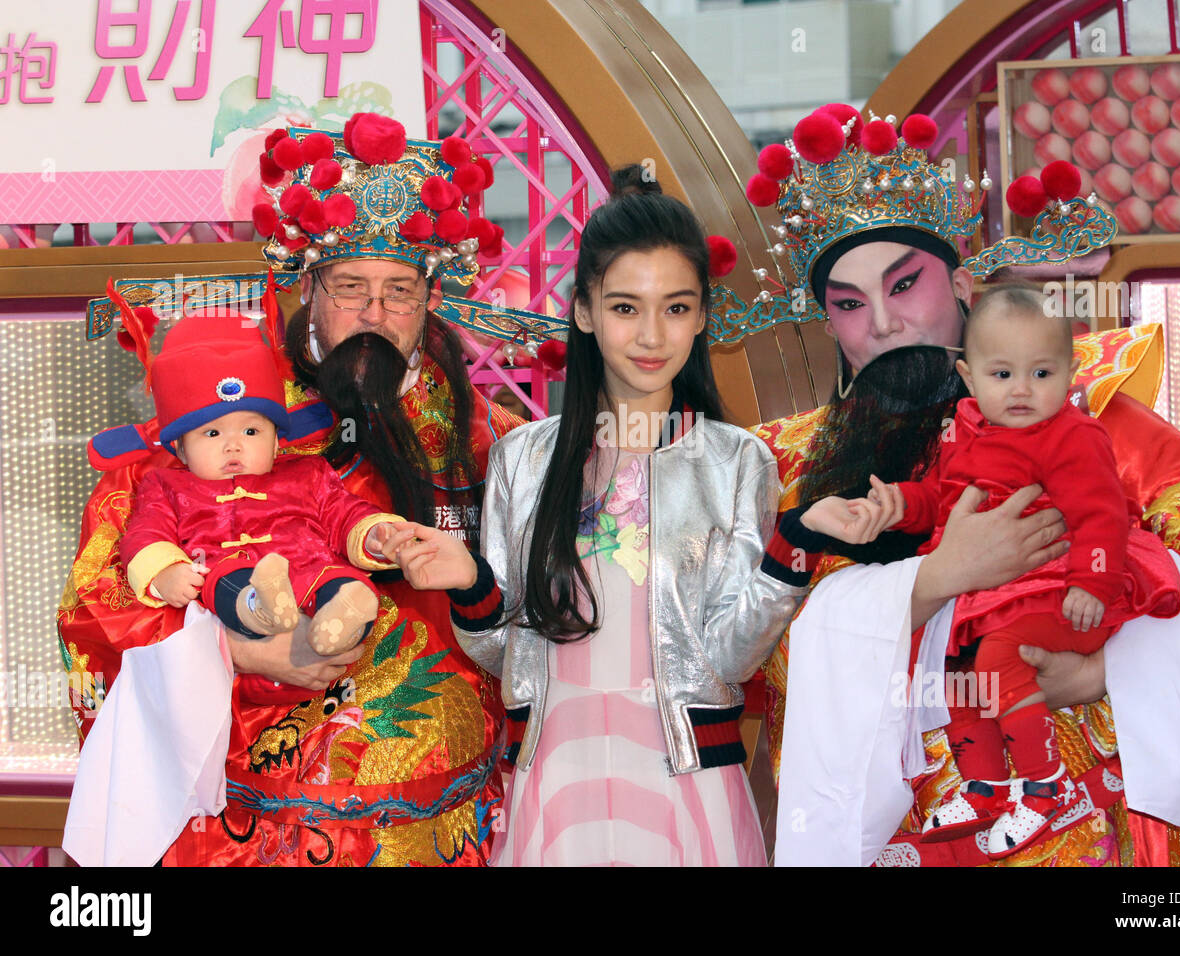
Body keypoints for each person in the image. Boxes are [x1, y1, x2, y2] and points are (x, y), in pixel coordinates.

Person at [733, 104, 1180, 866]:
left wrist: (1106, 669)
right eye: (851, 305)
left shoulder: (1070, 407)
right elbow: (746, 661)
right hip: (886, 826)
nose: (884, 323)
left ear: (959, 282)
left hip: (1068, 817)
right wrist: (933, 581)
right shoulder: (789, 469)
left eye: (905, 285)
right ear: (829, 325)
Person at [59, 112, 530, 866]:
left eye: (400, 290)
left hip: (446, 819)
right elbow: (96, 606)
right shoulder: (225, 426)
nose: (374, 314)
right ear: (306, 285)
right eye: (349, 286)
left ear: (429, 298)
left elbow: (548, 621)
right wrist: (241, 653)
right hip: (261, 823)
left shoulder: (488, 441)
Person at [379, 168, 881, 866]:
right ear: (584, 311)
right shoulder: (523, 458)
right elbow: (502, 654)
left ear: (704, 314)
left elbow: (735, 655)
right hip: (558, 772)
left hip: (685, 774)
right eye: (624, 308)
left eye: (676, 308)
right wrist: (469, 584)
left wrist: (793, 546)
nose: (651, 335)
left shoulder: (737, 461)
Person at [839, 286, 1180, 857]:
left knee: (1000, 661)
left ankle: (1044, 787)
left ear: (1068, 373)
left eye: (1041, 372)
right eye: (1002, 374)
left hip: (1060, 588)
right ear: (970, 380)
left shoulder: (1072, 435)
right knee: (954, 670)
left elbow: (1103, 515)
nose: (1021, 389)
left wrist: (1090, 585)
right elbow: (944, 498)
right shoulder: (963, 427)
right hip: (988, 597)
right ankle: (985, 786)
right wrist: (901, 504)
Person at [119, 312, 420, 656]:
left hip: (310, 569)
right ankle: (259, 607)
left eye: (251, 432)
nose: (233, 445)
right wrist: (164, 571)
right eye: (212, 433)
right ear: (181, 449)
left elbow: (344, 512)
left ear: (277, 441)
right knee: (227, 580)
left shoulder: (307, 473)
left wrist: (374, 535)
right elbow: (145, 532)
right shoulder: (166, 485)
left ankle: (344, 618)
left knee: (339, 580)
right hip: (228, 579)